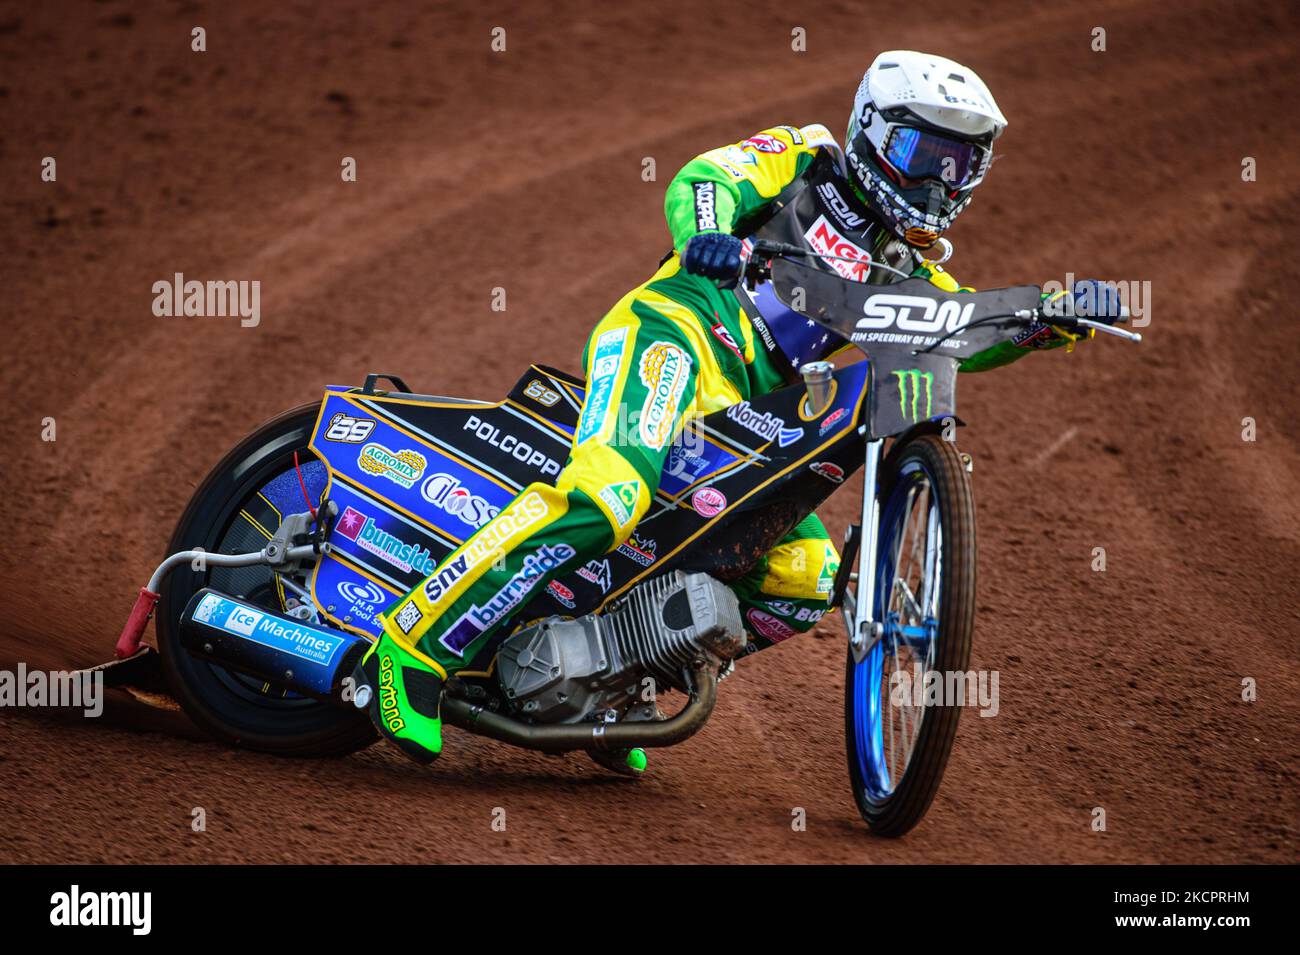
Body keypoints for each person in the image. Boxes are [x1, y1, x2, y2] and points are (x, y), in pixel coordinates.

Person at [353, 50, 1122, 767]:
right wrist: (709, 237)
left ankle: (614, 679)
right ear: (874, 134)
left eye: (961, 165)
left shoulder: (910, 276)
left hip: (745, 414)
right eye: (927, 157)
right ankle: (409, 646)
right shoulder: (808, 160)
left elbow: (968, 332)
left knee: (805, 574)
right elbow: (702, 179)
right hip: (674, 333)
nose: (938, 184)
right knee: (609, 495)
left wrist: (1051, 317)